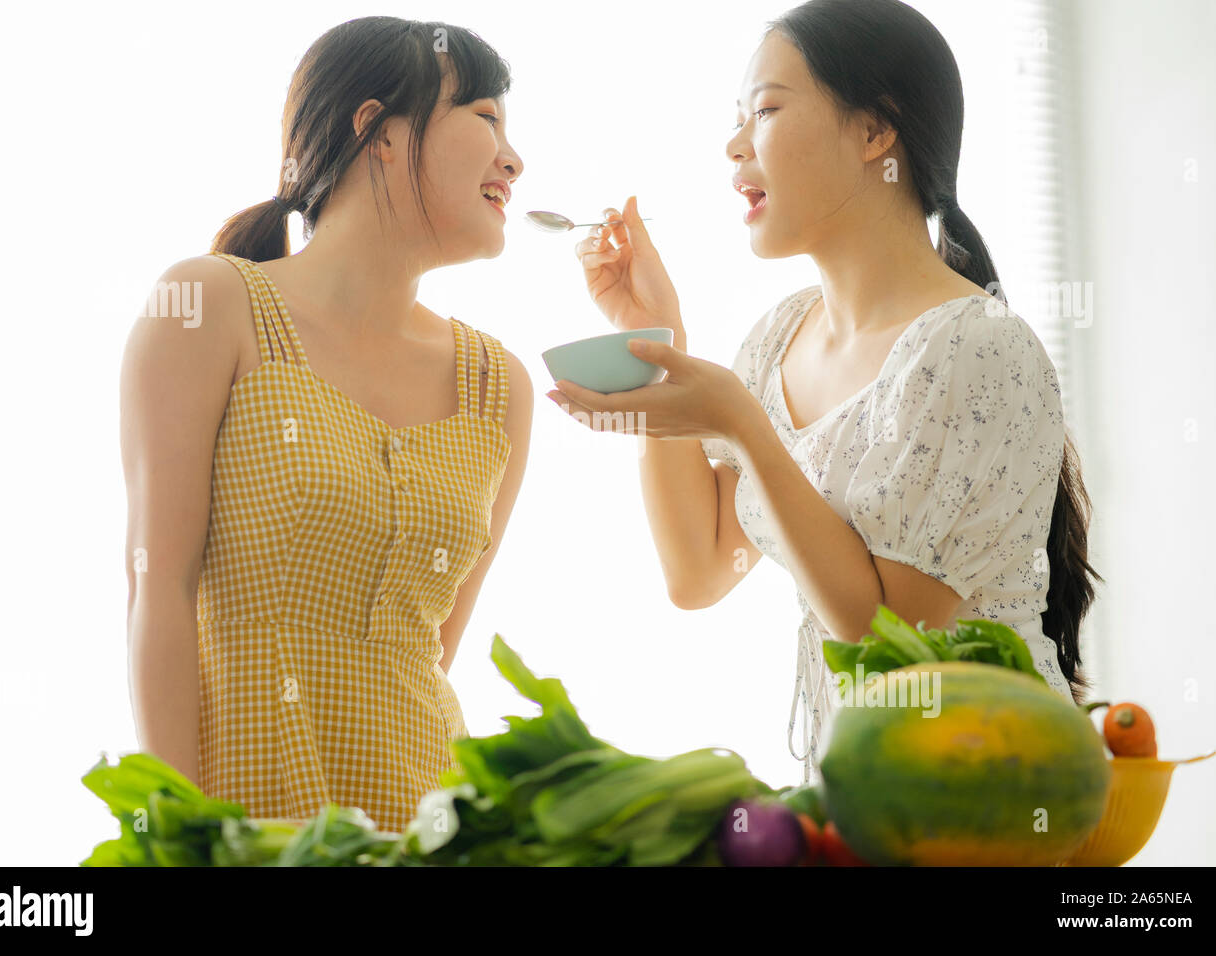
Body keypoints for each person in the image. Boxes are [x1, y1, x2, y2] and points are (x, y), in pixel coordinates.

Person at [548, 0, 1101, 785]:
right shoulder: (779, 336)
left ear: (876, 133)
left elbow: (887, 649)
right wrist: (656, 341)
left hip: (987, 790)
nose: (735, 144)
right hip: (867, 791)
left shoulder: (975, 347)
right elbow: (699, 571)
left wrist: (743, 426)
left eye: (766, 110)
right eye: (738, 118)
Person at [120, 16, 533, 830]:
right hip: (248, 824)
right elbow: (154, 591)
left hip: (430, 828)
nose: (513, 159)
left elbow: (430, 653)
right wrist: (179, 835)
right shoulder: (211, 305)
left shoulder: (498, 386)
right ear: (377, 130)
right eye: (486, 118)